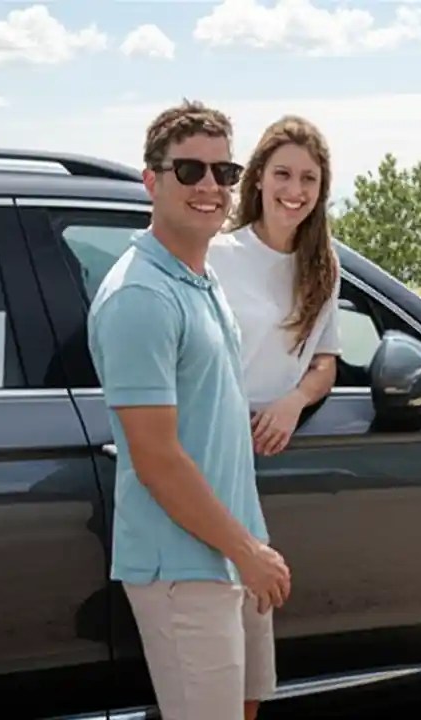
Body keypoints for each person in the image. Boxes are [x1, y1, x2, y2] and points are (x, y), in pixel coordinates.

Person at [86, 99, 290, 720]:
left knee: (247, 706)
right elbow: (157, 459)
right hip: (183, 564)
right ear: (151, 180)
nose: (210, 186)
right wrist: (247, 551)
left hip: (228, 549)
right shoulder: (141, 297)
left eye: (224, 172)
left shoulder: (197, 281)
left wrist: (249, 544)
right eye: (190, 171)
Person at [207, 114, 342, 456]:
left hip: (278, 446)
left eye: (308, 178)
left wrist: (293, 403)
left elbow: (324, 364)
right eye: (282, 174)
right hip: (213, 439)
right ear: (258, 180)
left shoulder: (324, 268)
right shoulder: (215, 255)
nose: (295, 191)